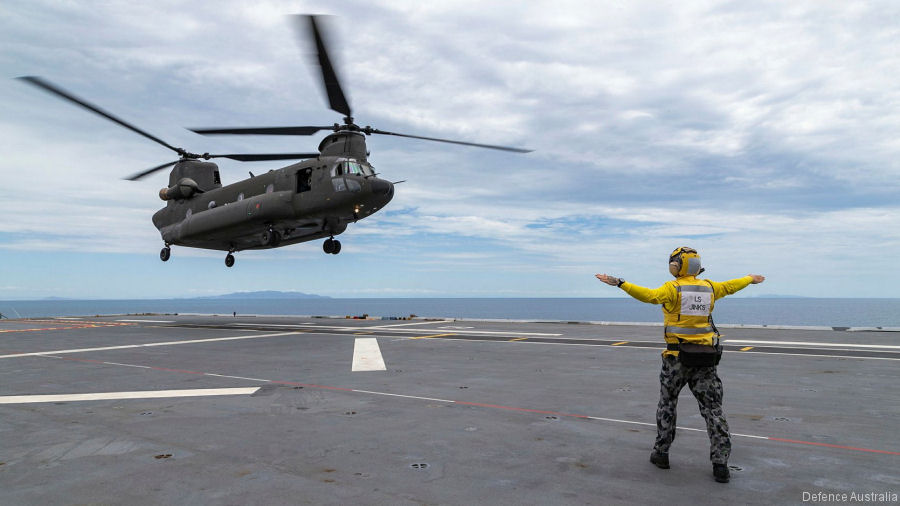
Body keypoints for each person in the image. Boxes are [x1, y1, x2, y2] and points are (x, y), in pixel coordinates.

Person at [595, 246, 765, 483]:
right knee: (713, 410)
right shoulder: (709, 288)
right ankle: (720, 465)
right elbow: (731, 285)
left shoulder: (671, 288)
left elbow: (648, 295)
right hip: (705, 360)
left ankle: (661, 453)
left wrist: (620, 283)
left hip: (676, 360)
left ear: (676, 266)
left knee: (667, 405)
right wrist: (750, 279)